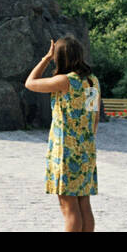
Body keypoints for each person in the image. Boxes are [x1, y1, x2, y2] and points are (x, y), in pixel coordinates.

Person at [25, 36, 101, 232]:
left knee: (68, 207)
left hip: (65, 150)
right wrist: (86, 141)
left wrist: (45, 58)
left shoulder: (64, 81)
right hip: (86, 148)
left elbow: (30, 83)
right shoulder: (92, 81)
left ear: (61, 58)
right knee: (84, 203)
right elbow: (95, 116)